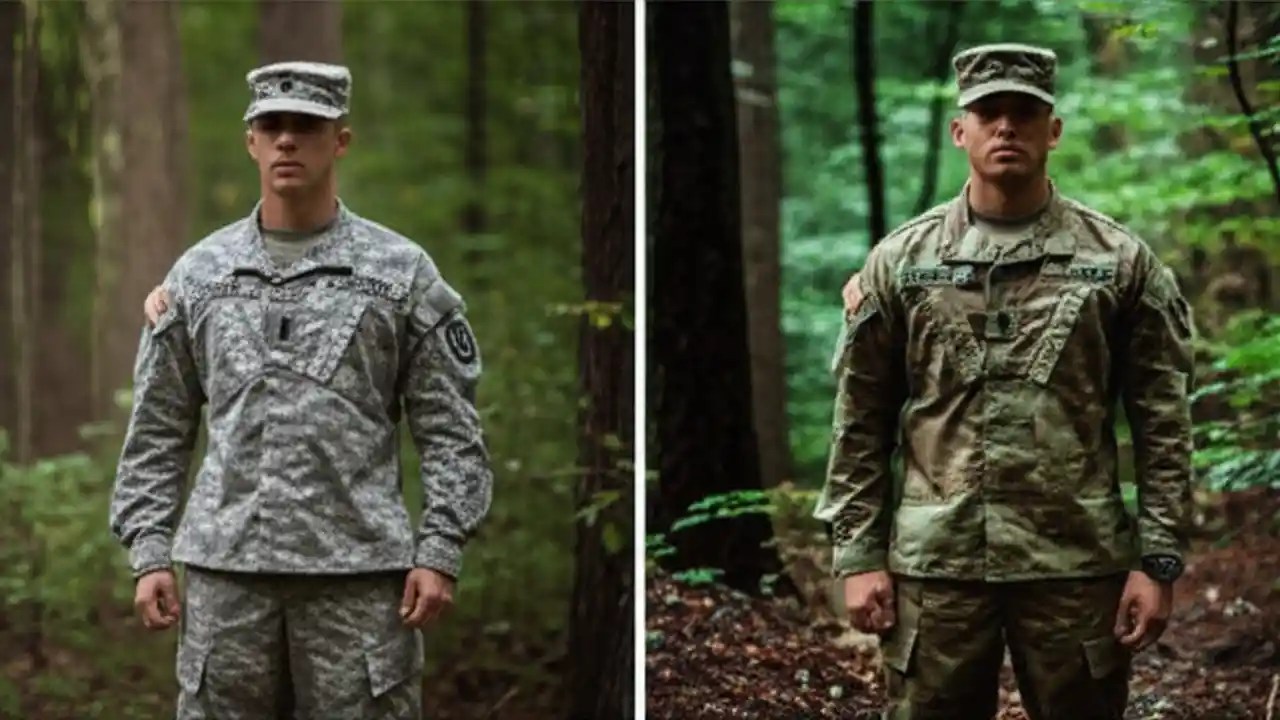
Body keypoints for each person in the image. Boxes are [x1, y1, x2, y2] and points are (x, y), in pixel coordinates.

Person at [814, 43, 1194, 720]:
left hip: (1076, 566)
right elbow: (859, 419)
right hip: (938, 572)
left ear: (1054, 130)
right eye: (989, 113)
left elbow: (1162, 420)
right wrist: (857, 554)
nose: (1007, 128)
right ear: (961, 131)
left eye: (1026, 112)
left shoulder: (1119, 263)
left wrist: (1158, 560)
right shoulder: (902, 262)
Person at [109, 61, 493, 719]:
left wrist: (441, 549)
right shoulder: (198, 277)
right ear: (250, 140)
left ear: (339, 139)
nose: (288, 140)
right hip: (227, 578)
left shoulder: (399, 275)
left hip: (360, 584)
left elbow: (451, 431)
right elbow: (158, 428)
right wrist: (149, 550)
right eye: (272, 125)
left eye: (307, 126)